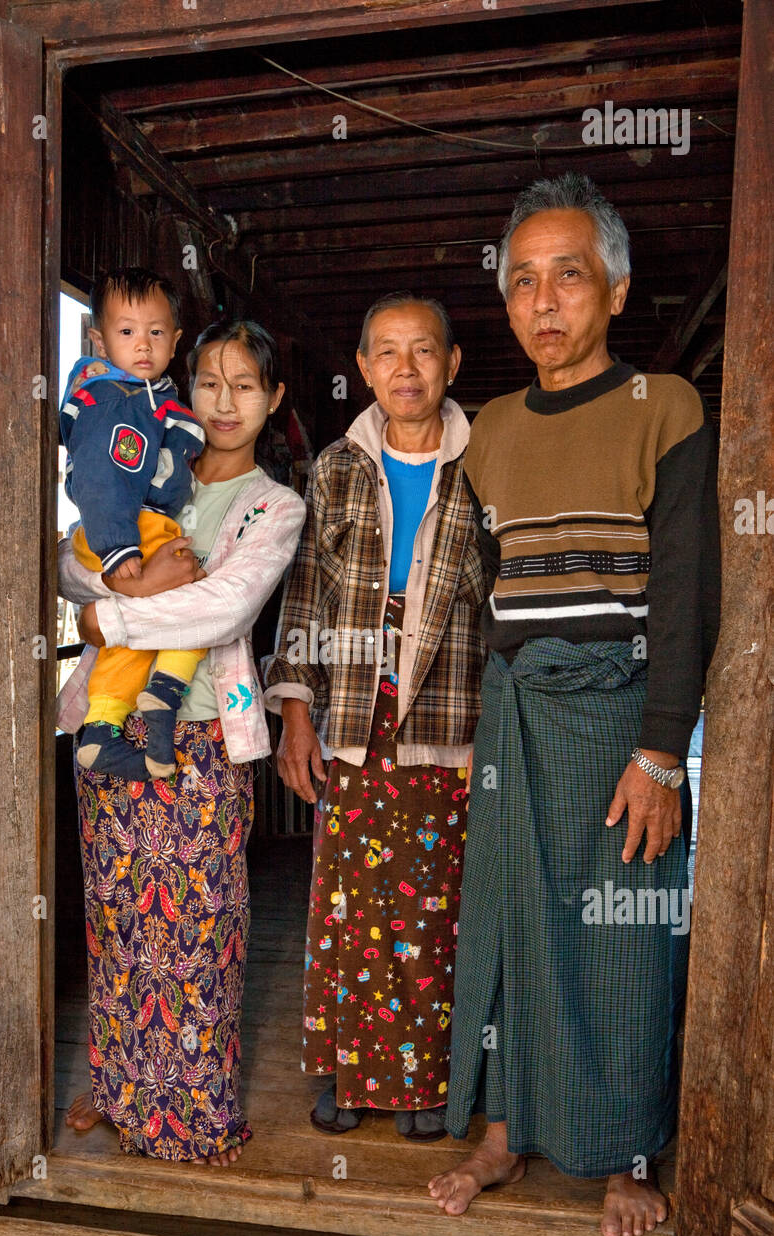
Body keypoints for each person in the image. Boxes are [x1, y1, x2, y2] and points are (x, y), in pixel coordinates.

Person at [428, 173, 720, 1236]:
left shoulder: (667, 405)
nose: (542, 300)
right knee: (510, 924)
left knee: (624, 935)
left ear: (615, 288)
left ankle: (623, 1148)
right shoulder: (490, 429)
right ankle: (505, 1133)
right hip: (514, 713)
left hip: (618, 716)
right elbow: (487, 592)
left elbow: (687, 595)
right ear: (503, 304)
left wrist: (658, 754)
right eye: (520, 282)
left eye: (567, 276)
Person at [57, 320, 306, 1165]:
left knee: (200, 927)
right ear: (184, 387)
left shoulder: (275, 504)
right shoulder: (149, 464)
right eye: (208, 382)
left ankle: (194, 1113)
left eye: (245, 385)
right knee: (118, 919)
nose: (224, 401)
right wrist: (121, 577)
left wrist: (109, 610)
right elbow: (71, 554)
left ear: (273, 401)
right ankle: (122, 1088)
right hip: (111, 721)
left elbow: (224, 606)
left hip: (200, 734)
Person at [263, 293, 487, 1141]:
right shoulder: (334, 468)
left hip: (447, 708)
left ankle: (426, 1079)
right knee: (349, 901)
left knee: (434, 903)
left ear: (452, 363)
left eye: (423, 351)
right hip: (354, 706)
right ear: (362, 368)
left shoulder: (483, 462)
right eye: (386, 353)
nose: (405, 368)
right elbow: (305, 595)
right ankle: (353, 1076)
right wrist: (294, 714)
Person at [61, 267, 208, 780]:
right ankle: (165, 697)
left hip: (127, 531)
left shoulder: (150, 399)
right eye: (126, 332)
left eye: (156, 332)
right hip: (127, 530)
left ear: (176, 341)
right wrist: (120, 550)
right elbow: (101, 480)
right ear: (99, 340)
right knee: (193, 593)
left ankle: (100, 732)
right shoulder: (113, 401)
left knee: (131, 637)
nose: (142, 345)